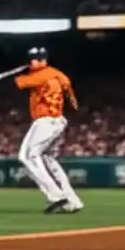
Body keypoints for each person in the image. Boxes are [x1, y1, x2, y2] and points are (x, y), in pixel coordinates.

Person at [14, 47, 83, 213]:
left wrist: (23, 72)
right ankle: (72, 201)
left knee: (27, 156)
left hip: (45, 121)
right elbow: (67, 84)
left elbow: (20, 83)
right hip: (58, 121)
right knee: (48, 158)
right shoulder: (57, 73)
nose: (32, 62)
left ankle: (56, 195)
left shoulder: (40, 75)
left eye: (34, 59)